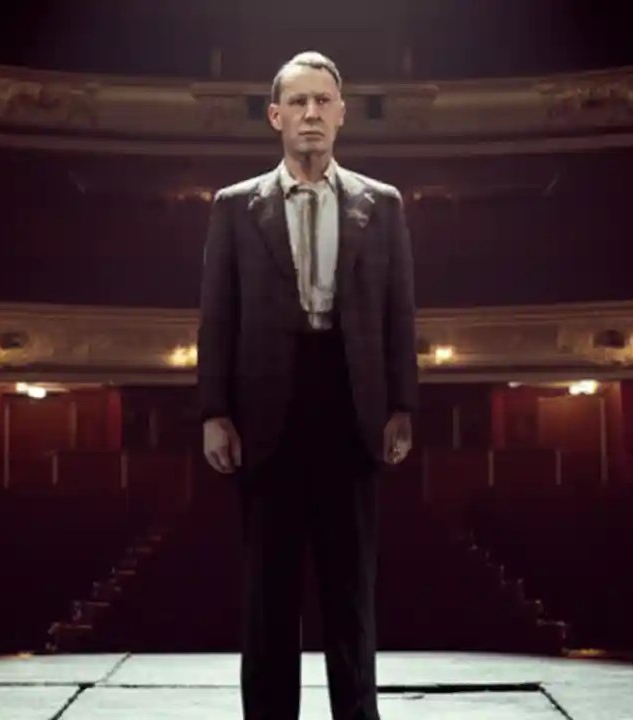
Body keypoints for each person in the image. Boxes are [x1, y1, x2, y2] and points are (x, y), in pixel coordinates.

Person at [197, 51, 418, 720]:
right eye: (298, 102)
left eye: (323, 101)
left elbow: (398, 313)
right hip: (266, 412)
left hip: (350, 404)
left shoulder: (383, 205)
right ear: (275, 116)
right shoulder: (234, 208)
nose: (312, 113)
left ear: (342, 114)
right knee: (270, 595)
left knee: (351, 593)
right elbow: (217, 317)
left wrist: (402, 404)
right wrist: (214, 412)